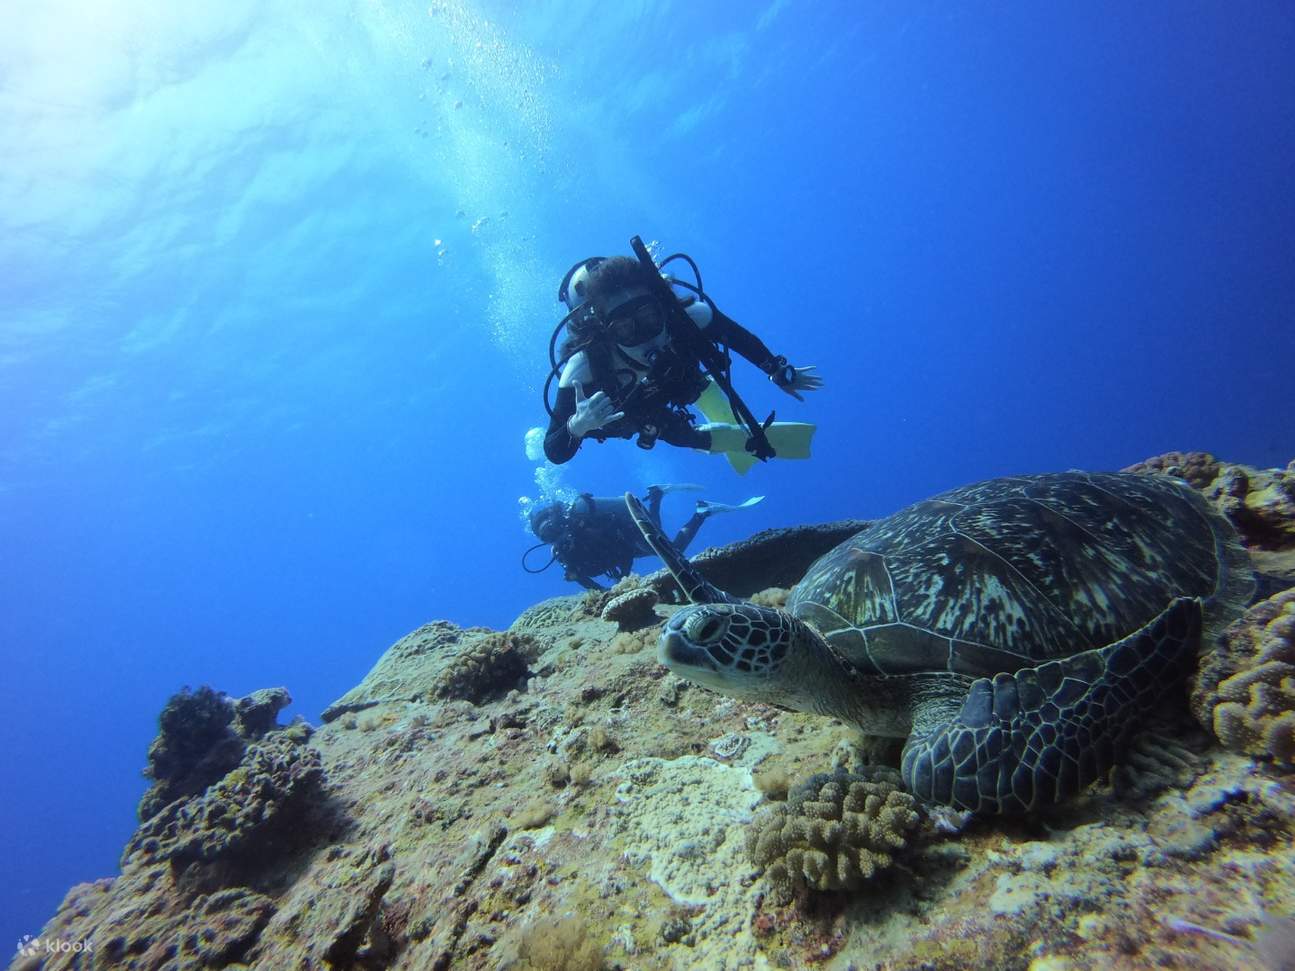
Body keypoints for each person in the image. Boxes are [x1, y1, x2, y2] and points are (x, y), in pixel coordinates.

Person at [541, 244, 823, 473]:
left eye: (649, 317)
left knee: (688, 376)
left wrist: (776, 369)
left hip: (676, 378)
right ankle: (712, 437)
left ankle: (703, 390)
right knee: (674, 433)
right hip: (632, 406)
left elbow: (738, 338)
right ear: (605, 332)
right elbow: (554, 449)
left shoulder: (688, 317)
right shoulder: (585, 367)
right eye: (625, 327)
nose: (645, 335)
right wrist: (577, 426)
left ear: (662, 307)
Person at [523, 484, 763, 591]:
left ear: (561, 523)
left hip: (627, 531)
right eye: (550, 537)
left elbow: (620, 550)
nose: (557, 538)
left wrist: (623, 582)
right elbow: (586, 582)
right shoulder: (564, 555)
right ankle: (656, 495)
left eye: (555, 530)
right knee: (662, 539)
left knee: (673, 551)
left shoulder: (582, 525)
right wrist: (607, 595)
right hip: (625, 545)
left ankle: (701, 511)